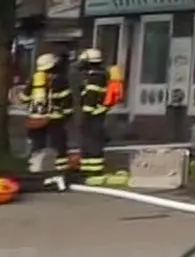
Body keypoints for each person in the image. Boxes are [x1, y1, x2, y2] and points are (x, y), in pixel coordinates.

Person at [71, 48, 123, 184]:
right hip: (96, 114)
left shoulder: (95, 77)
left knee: (92, 144)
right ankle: (88, 171)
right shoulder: (99, 75)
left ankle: (94, 172)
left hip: (92, 116)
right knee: (89, 143)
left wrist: (84, 115)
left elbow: (90, 99)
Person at [26, 52, 71, 175]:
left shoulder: (34, 80)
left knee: (37, 144)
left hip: (35, 118)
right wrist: (67, 115)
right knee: (58, 144)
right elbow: (66, 100)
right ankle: (60, 169)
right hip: (54, 118)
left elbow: (24, 98)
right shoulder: (61, 80)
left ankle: (35, 169)